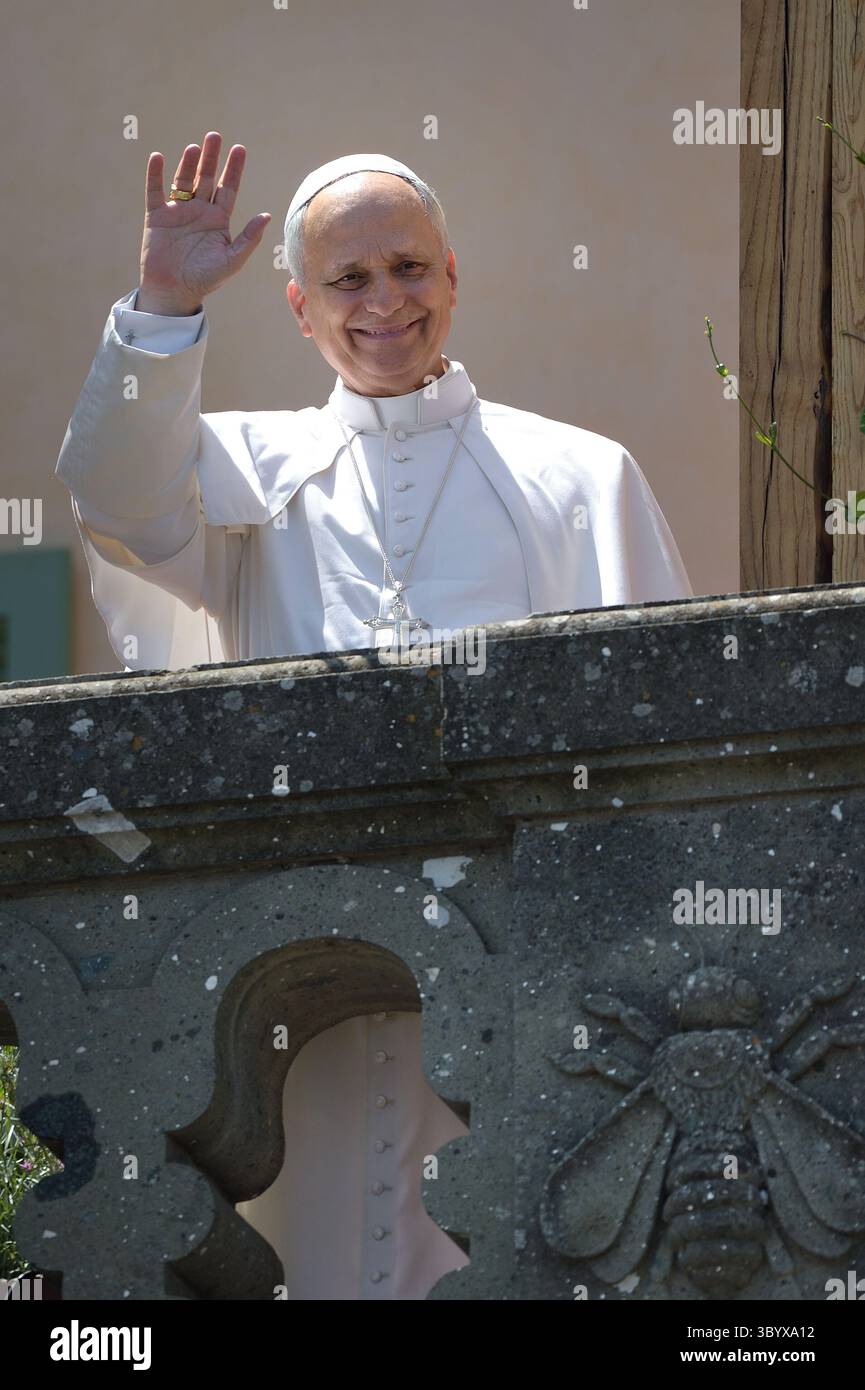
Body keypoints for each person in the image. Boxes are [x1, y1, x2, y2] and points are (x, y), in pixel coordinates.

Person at [55, 134, 694, 1300]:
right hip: (302, 992)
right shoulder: (244, 468)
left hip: (529, 981)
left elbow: (663, 736)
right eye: (347, 281)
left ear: (454, 275)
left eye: (407, 267)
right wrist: (162, 305)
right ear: (299, 309)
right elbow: (117, 494)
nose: (385, 301)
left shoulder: (580, 472)